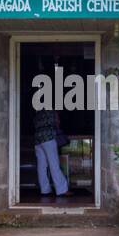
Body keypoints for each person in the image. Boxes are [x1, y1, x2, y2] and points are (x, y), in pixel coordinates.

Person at [32, 70, 70, 199]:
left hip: (38, 139)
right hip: (48, 137)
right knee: (54, 163)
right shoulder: (52, 109)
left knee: (42, 166)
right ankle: (62, 189)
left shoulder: (37, 111)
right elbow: (57, 123)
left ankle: (45, 189)